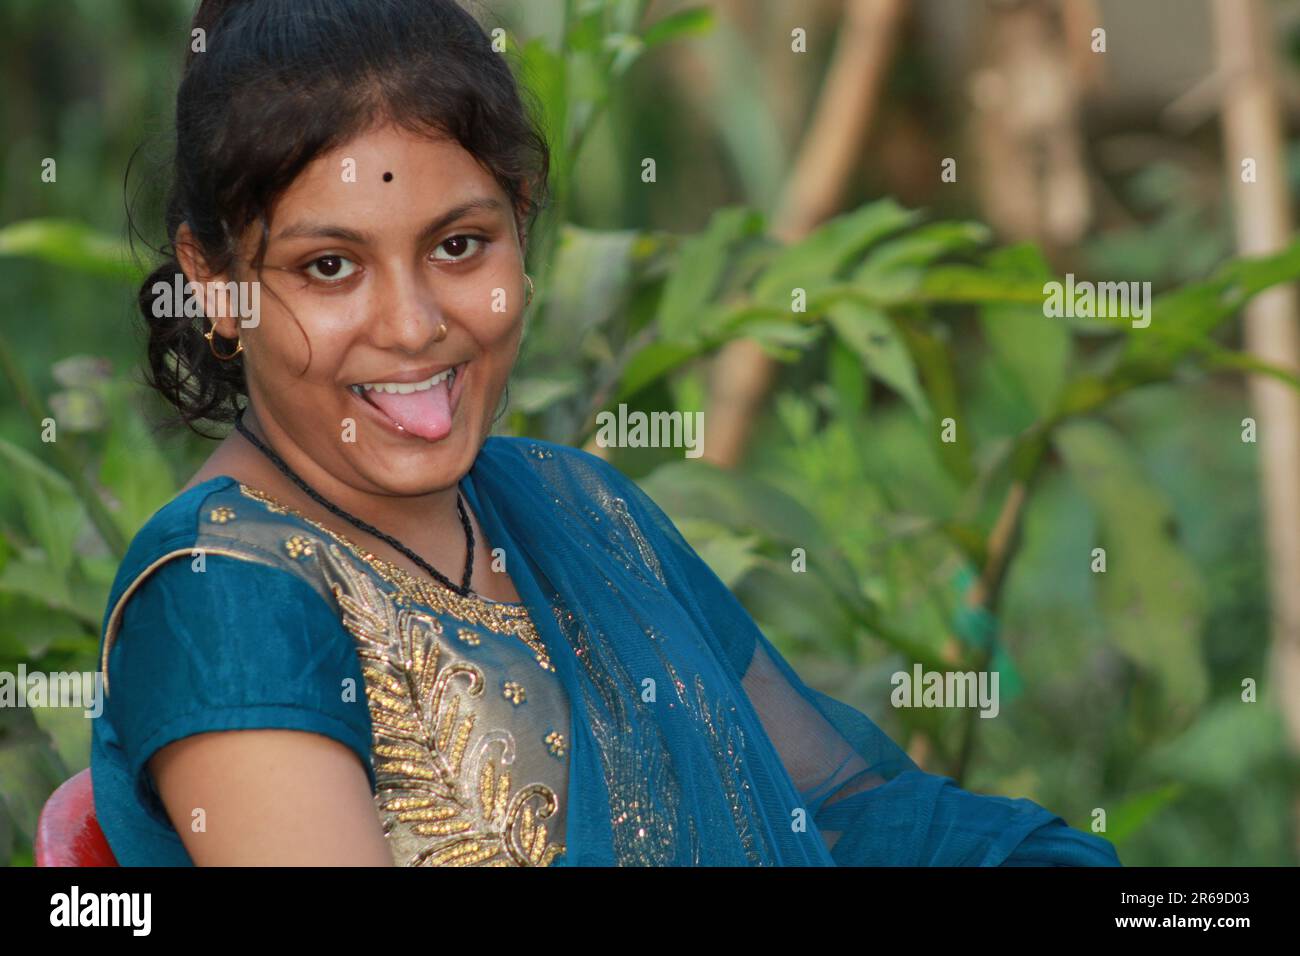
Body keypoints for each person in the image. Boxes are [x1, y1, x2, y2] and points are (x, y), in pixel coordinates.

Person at [90, 0, 1121, 867]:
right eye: (330, 267)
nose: (411, 325)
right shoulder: (222, 599)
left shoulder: (575, 508)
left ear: (522, 226)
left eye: (458, 245)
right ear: (217, 284)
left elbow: (844, 815)